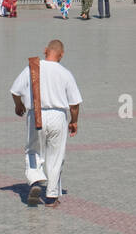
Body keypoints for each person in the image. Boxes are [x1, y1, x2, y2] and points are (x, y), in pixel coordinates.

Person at [9, 40, 82, 208]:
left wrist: (18, 105)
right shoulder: (65, 73)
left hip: (36, 114)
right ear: (61, 55)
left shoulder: (33, 68)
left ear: (45, 51)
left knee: (33, 149)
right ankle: (51, 196)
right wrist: (74, 121)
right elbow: (74, 104)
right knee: (56, 156)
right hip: (58, 116)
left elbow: (14, 90)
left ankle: (35, 180)